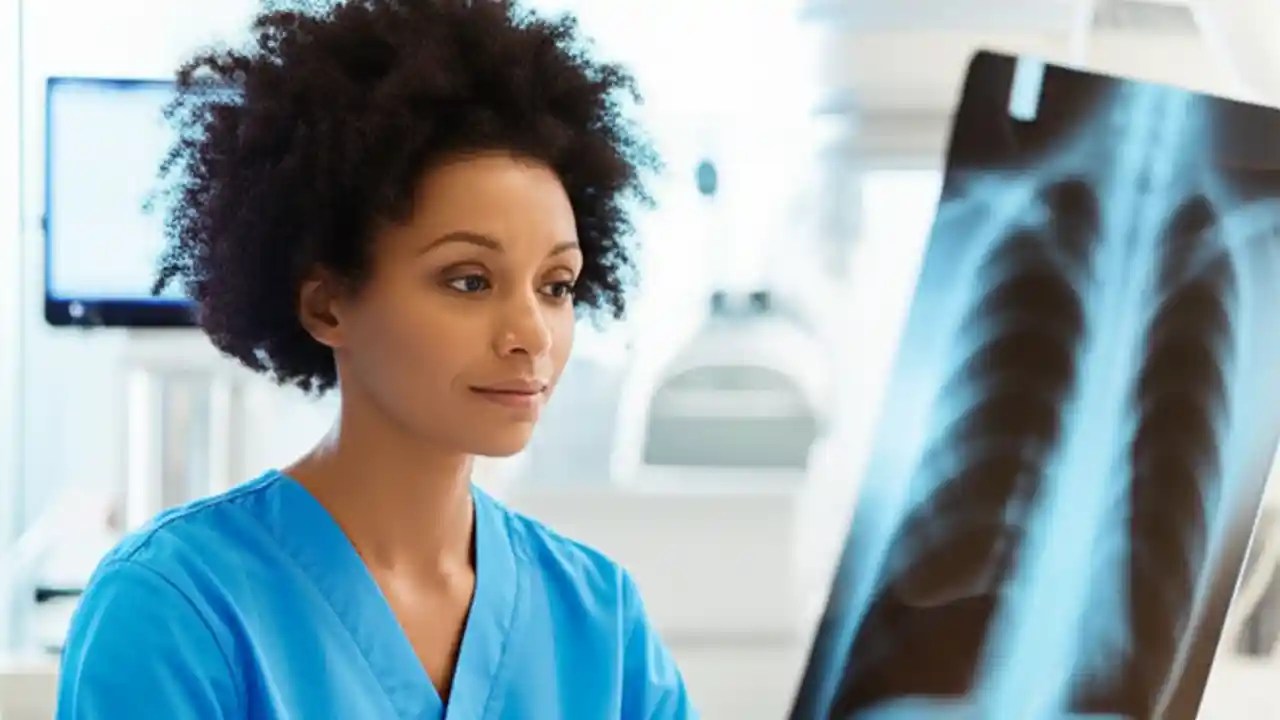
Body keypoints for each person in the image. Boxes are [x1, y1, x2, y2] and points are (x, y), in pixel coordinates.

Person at [56, 1, 694, 717]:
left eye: (556, 286)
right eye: (469, 281)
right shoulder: (175, 609)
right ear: (328, 305)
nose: (533, 335)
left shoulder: (600, 624)